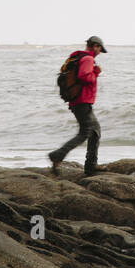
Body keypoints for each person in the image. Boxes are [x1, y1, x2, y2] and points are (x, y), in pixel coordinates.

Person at [49, 36, 106, 176]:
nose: (99, 52)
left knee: (95, 132)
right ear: (95, 46)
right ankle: (58, 155)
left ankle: (91, 165)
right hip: (82, 101)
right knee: (85, 133)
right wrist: (96, 72)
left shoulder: (78, 57)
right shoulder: (87, 59)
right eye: (99, 49)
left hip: (77, 101)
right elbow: (84, 76)